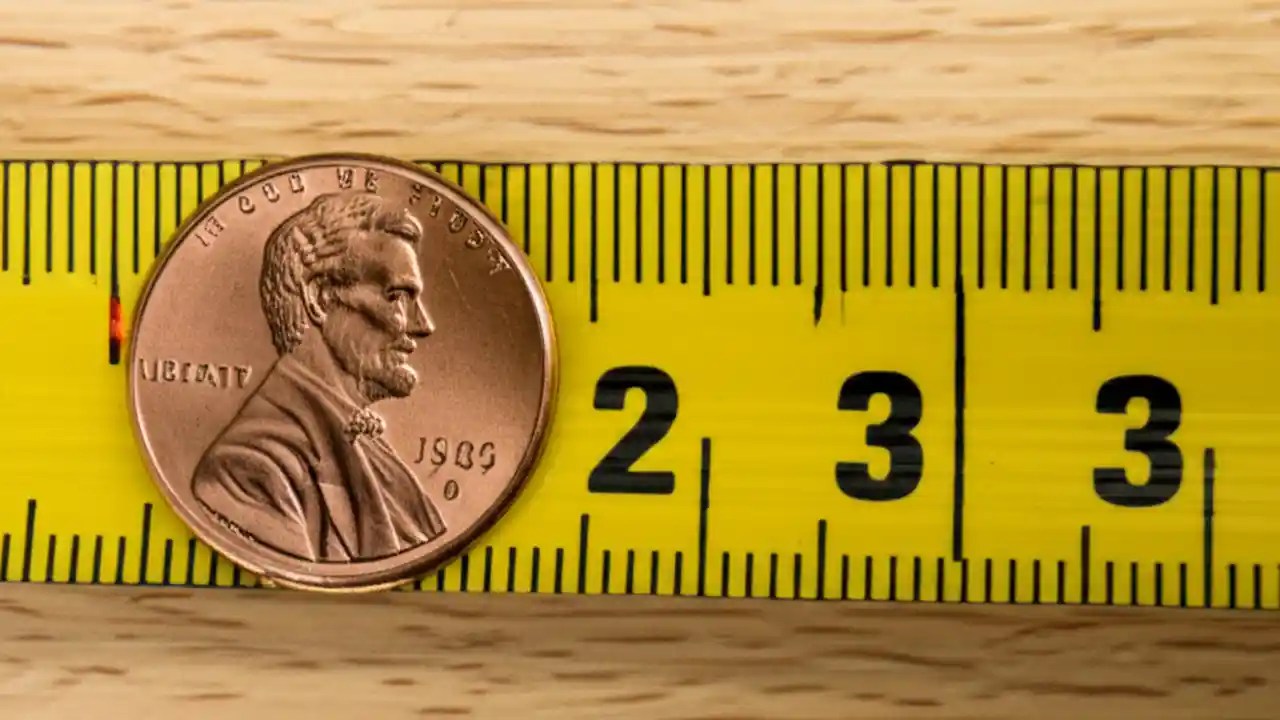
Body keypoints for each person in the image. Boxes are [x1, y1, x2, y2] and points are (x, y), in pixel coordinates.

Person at [190, 190, 447, 563]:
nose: (423, 325)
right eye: (397, 296)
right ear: (320, 297)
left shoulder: (365, 444)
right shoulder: (250, 470)